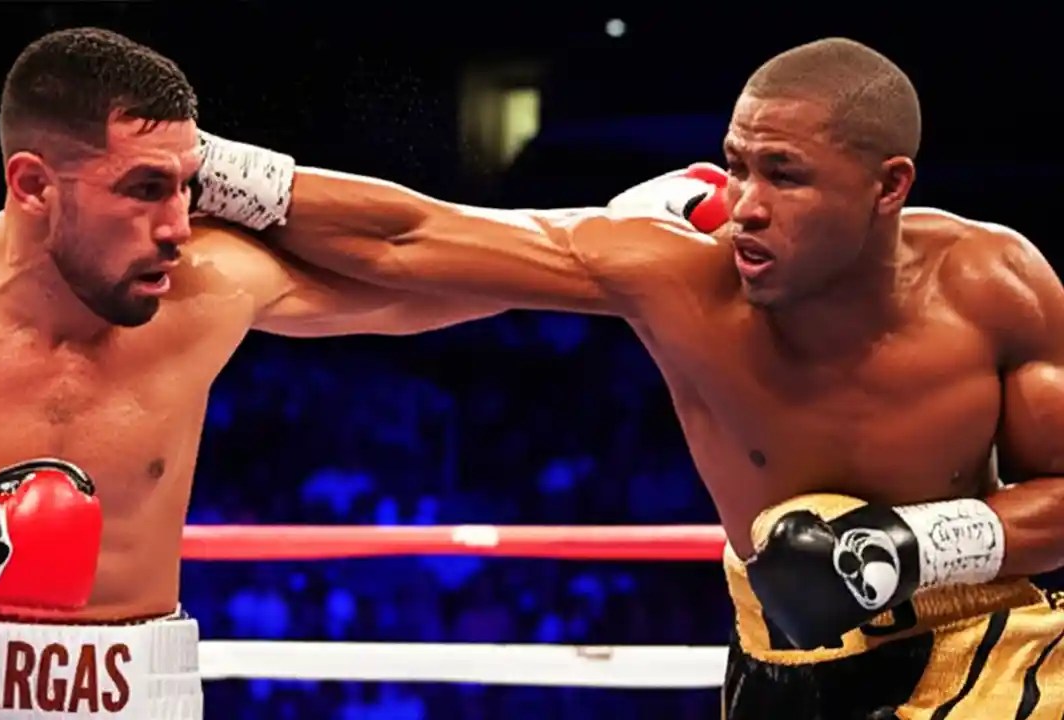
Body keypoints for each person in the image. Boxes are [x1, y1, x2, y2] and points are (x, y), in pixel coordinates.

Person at [197, 37, 1064, 717]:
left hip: (978, 643)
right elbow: (413, 239)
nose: (749, 202)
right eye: (737, 166)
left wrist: (905, 550)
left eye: (786, 176)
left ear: (889, 186)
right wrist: (208, 168)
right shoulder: (679, 277)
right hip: (780, 660)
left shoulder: (992, 287)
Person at [0, 27, 526, 720]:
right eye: (144, 189)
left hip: (140, 698)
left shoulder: (206, 287)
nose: (178, 225)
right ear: (34, 185)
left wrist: (597, 251)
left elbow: (424, 273)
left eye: (188, 186)